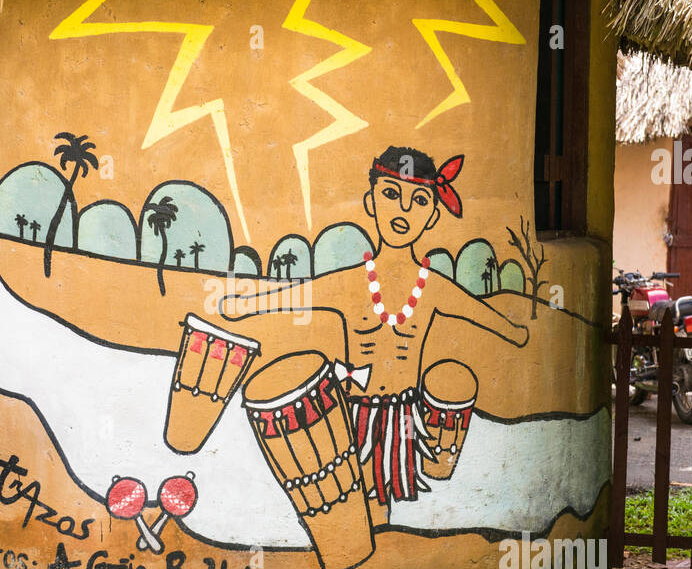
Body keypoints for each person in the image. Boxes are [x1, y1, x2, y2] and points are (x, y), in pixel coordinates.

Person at [222, 145, 529, 516]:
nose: (402, 209)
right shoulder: (351, 282)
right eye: (390, 194)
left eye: (418, 200)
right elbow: (298, 295)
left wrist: (513, 331)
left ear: (432, 215)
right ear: (370, 201)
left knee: (383, 505)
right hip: (353, 414)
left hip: (402, 417)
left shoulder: (432, 288)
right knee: (353, 506)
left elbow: (480, 314)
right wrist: (245, 307)